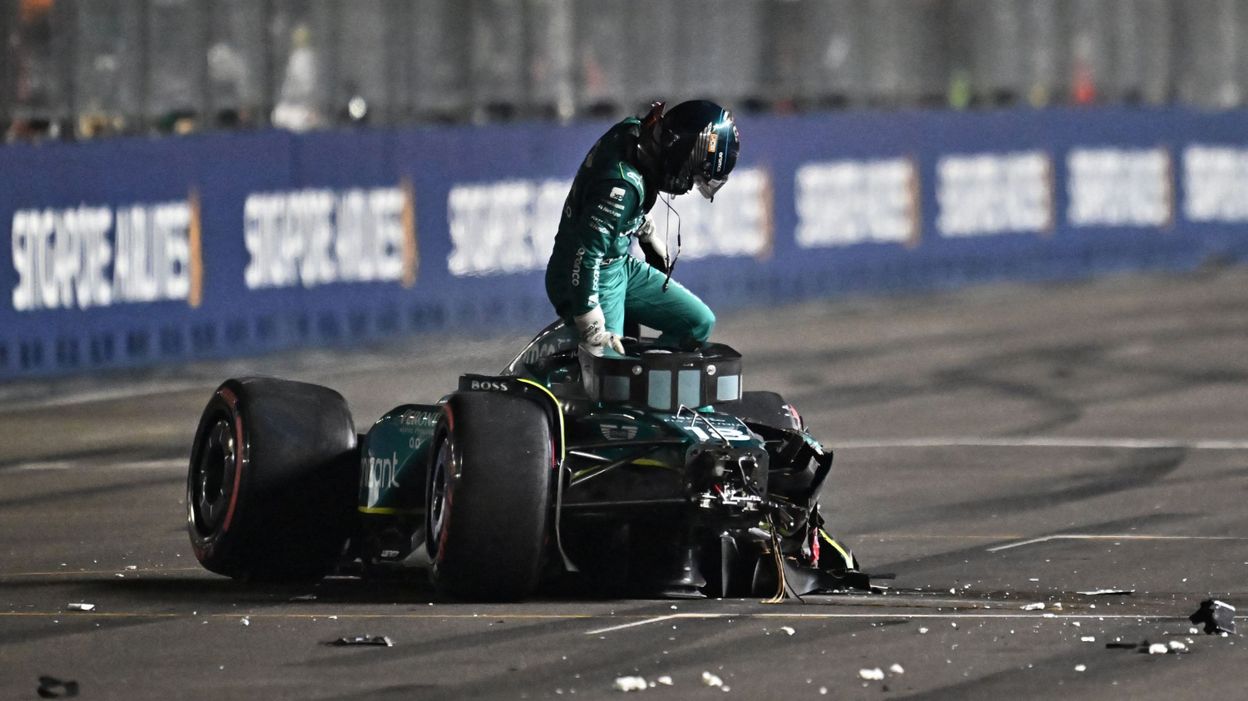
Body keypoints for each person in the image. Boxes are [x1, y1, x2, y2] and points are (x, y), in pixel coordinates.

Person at [545, 100, 739, 355]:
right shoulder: (621, 186)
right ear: (682, 150)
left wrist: (644, 229)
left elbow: (597, 199)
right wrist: (590, 323)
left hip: (617, 264)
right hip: (585, 274)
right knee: (609, 368)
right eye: (693, 173)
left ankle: (645, 373)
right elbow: (586, 254)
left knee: (698, 323)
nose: (689, 184)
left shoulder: (636, 133)